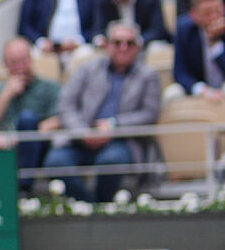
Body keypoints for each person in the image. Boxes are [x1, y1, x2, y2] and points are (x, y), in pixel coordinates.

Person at [44, 21, 161, 202]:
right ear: (107, 45)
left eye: (129, 43)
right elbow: (66, 105)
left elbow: (149, 114)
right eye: (117, 42)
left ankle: (101, 205)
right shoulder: (87, 68)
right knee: (55, 162)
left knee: (111, 162)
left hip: (121, 140)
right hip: (80, 137)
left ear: (138, 47)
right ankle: (89, 206)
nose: (123, 48)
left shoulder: (148, 75)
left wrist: (113, 125)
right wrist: (83, 132)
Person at [0, 36, 61, 187]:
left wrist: (20, 135)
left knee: (27, 119)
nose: (20, 67)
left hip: (36, 148)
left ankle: (23, 187)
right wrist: (6, 95)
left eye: (23, 61)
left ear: (31, 59)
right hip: (2, 151)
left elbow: (58, 120)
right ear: (5, 65)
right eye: (14, 63)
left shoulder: (50, 87)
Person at [173, 0, 225, 101]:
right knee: (172, 93)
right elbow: (180, 72)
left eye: (218, 11)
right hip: (200, 86)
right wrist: (201, 89)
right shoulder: (184, 30)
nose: (214, 17)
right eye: (207, 13)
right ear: (194, 15)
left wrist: (215, 43)